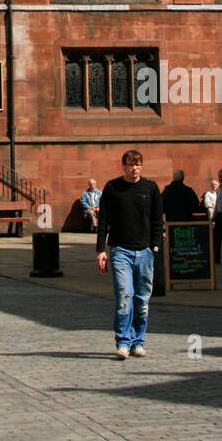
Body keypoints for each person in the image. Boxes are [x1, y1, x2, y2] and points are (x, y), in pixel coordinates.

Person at [96, 149, 163, 359]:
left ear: (142, 166)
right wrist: (101, 250)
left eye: (138, 164)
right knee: (125, 296)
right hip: (120, 251)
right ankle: (123, 341)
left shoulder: (150, 188)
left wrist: (155, 246)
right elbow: (104, 220)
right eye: (130, 164)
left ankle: (138, 341)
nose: (134, 168)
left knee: (141, 300)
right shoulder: (112, 188)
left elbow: (157, 220)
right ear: (123, 166)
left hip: (144, 252)